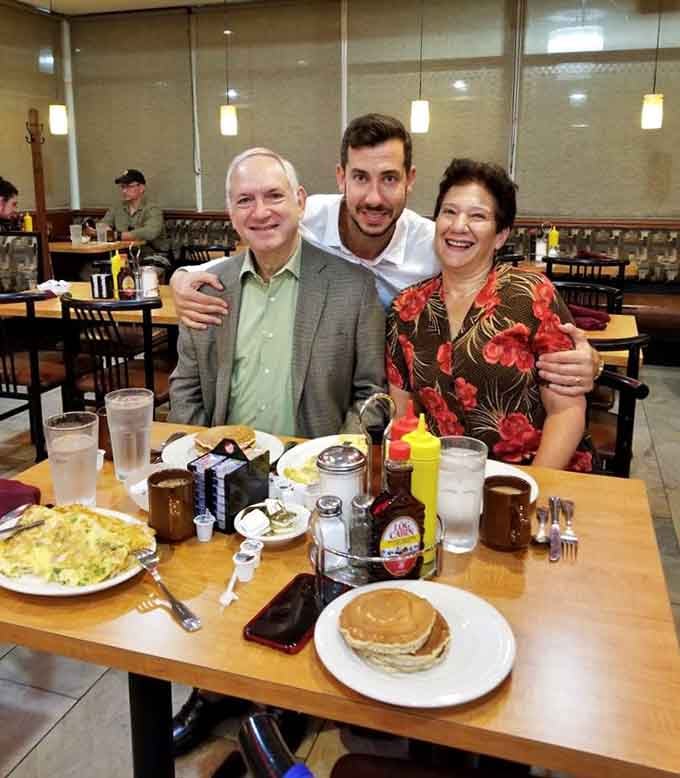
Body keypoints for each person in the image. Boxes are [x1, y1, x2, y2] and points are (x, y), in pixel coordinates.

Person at [168, 146, 385, 754]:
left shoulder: (350, 287)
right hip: (223, 466)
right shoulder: (208, 287)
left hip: (306, 474)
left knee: (289, 592)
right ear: (230, 213)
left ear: (301, 201)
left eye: (273, 196)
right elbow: (186, 382)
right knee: (216, 588)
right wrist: (189, 452)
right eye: (245, 200)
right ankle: (212, 691)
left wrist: (331, 466)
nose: (260, 211)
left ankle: (280, 698)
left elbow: (371, 394)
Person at [169, 113, 599, 395]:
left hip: (393, 393)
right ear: (340, 177)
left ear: (410, 180)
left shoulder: (436, 244)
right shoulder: (302, 216)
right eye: (360, 177)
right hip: (319, 383)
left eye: (389, 179)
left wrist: (591, 361)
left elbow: (503, 300)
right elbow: (222, 265)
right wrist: (179, 278)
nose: (374, 197)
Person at [387, 158, 591, 470]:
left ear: (500, 235)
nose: (458, 226)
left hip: (531, 475)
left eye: (477, 216)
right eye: (449, 212)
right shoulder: (407, 308)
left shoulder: (532, 295)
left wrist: (530, 487)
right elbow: (403, 416)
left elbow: (566, 411)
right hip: (443, 478)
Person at [86, 168, 167, 255]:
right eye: (123, 187)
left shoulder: (153, 208)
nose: (124, 191)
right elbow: (104, 223)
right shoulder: (117, 207)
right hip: (122, 255)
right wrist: (99, 229)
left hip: (152, 255)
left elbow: (149, 233)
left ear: (142, 188)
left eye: (129, 186)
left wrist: (117, 235)